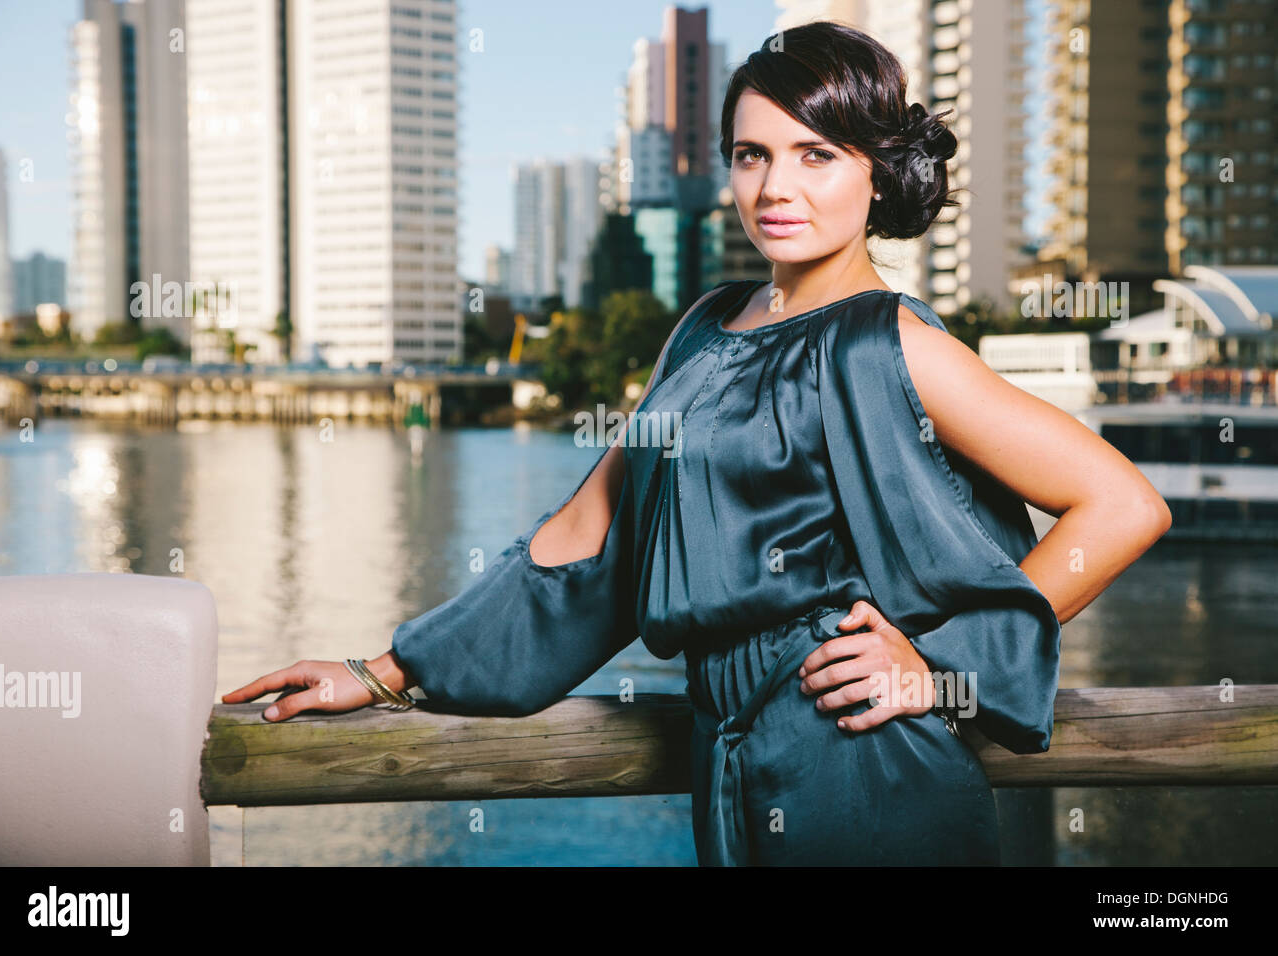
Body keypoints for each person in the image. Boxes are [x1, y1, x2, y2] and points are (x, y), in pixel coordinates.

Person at [223, 21, 1172, 865]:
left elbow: (1124, 504)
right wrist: (385, 673)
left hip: (863, 764)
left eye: (817, 155)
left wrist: (942, 667)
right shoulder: (705, 327)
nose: (775, 186)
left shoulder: (890, 340)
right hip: (725, 753)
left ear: (873, 170)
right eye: (751, 155)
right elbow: (587, 538)